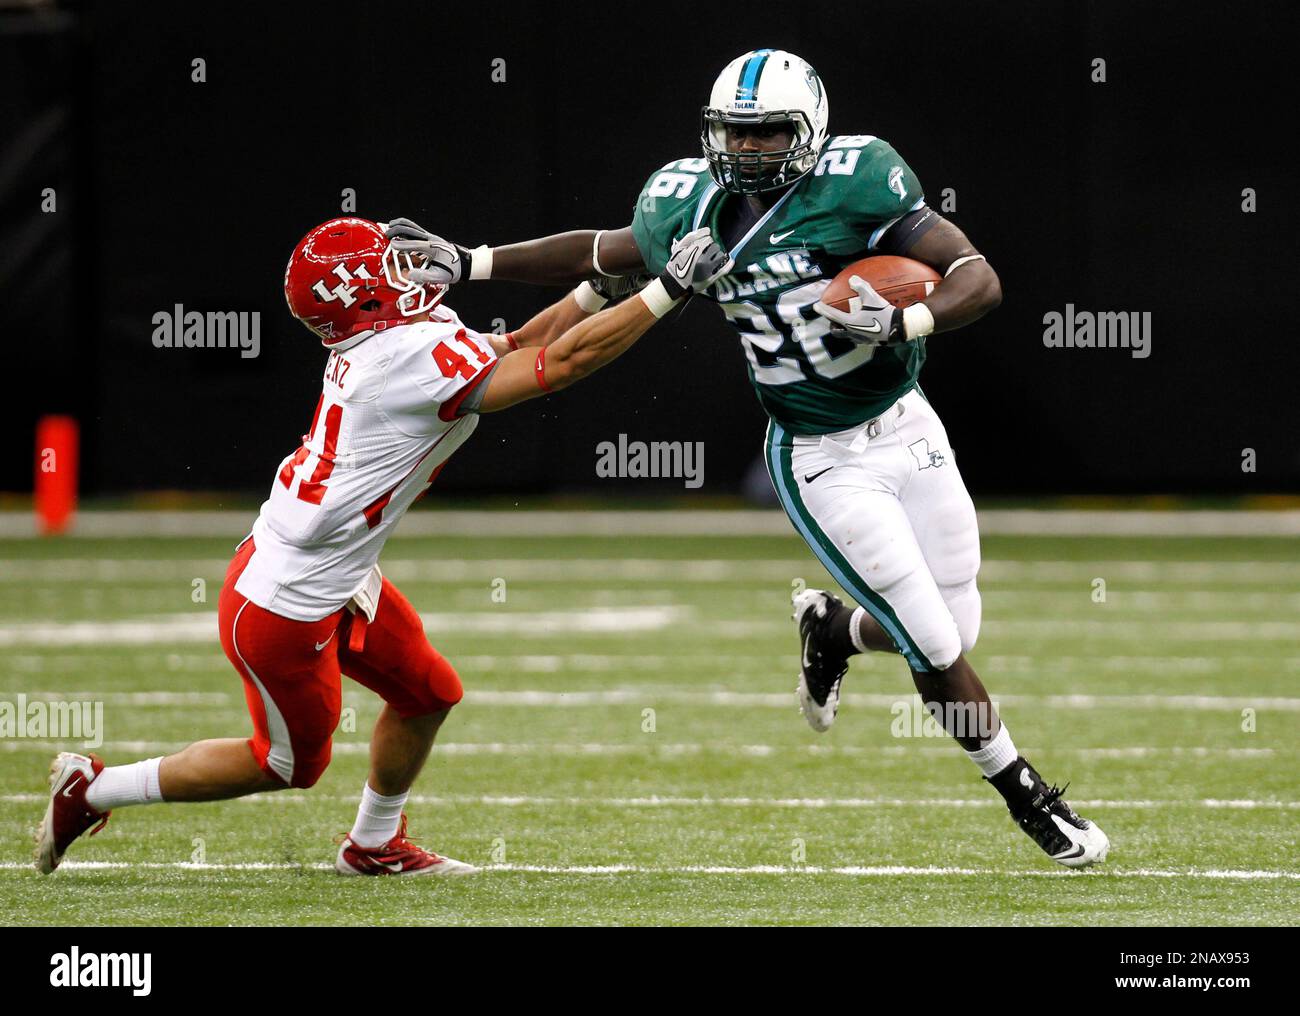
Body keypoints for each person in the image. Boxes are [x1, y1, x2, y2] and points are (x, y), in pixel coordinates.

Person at [388, 50, 1109, 867]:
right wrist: (476, 261)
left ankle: (832, 631)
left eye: (768, 133)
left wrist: (907, 324)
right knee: (938, 647)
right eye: (736, 132)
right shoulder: (682, 198)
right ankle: (1030, 800)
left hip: (907, 422)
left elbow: (977, 277)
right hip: (819, 455)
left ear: (809, 128)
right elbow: (601, 253)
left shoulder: (862, 177)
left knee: (957, 618)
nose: (751, 150)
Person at [36, 215, 730, 876]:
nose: (409, 267)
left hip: (337, 570)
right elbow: (563, 364)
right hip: (286, 603)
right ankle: (93, 790)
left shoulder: (405, 337)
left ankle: (373, 845)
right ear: (362, 296)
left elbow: (517, 347)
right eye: (387, 266)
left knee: (428, 693)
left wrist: (592, 288)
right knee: (285, 765)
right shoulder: (404, 355)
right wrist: (666, 292)